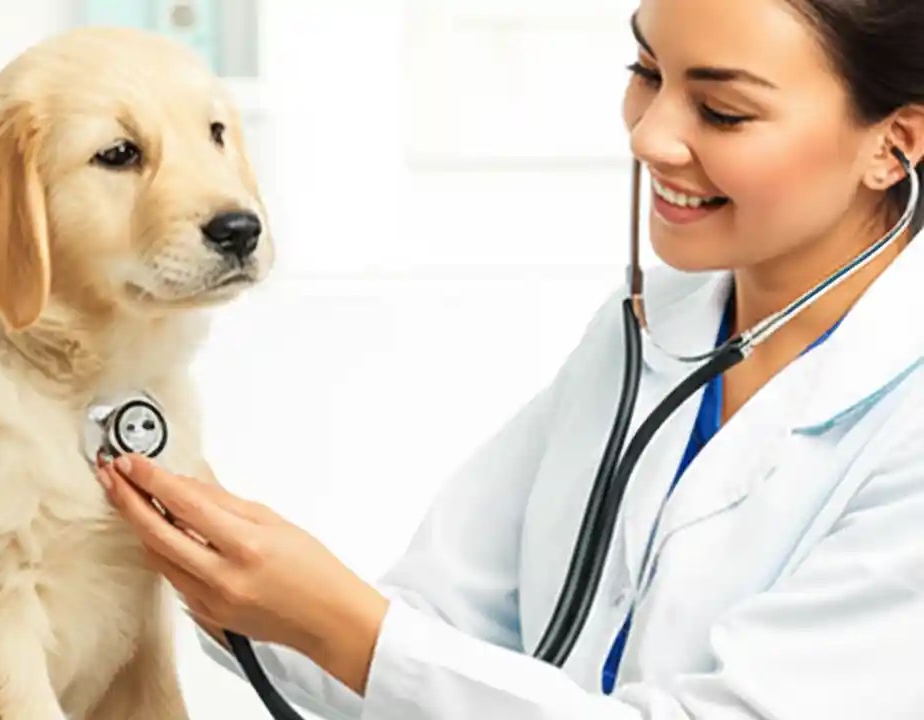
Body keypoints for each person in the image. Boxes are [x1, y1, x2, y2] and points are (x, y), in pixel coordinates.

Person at [95, 0, 924, 717]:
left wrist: (342, 627)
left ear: (895, 144)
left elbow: (379, 643)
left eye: (723, 111)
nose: (650, 135)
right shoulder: (645, 332)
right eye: (647, 72)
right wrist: (214, 557)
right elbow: (437, 627)